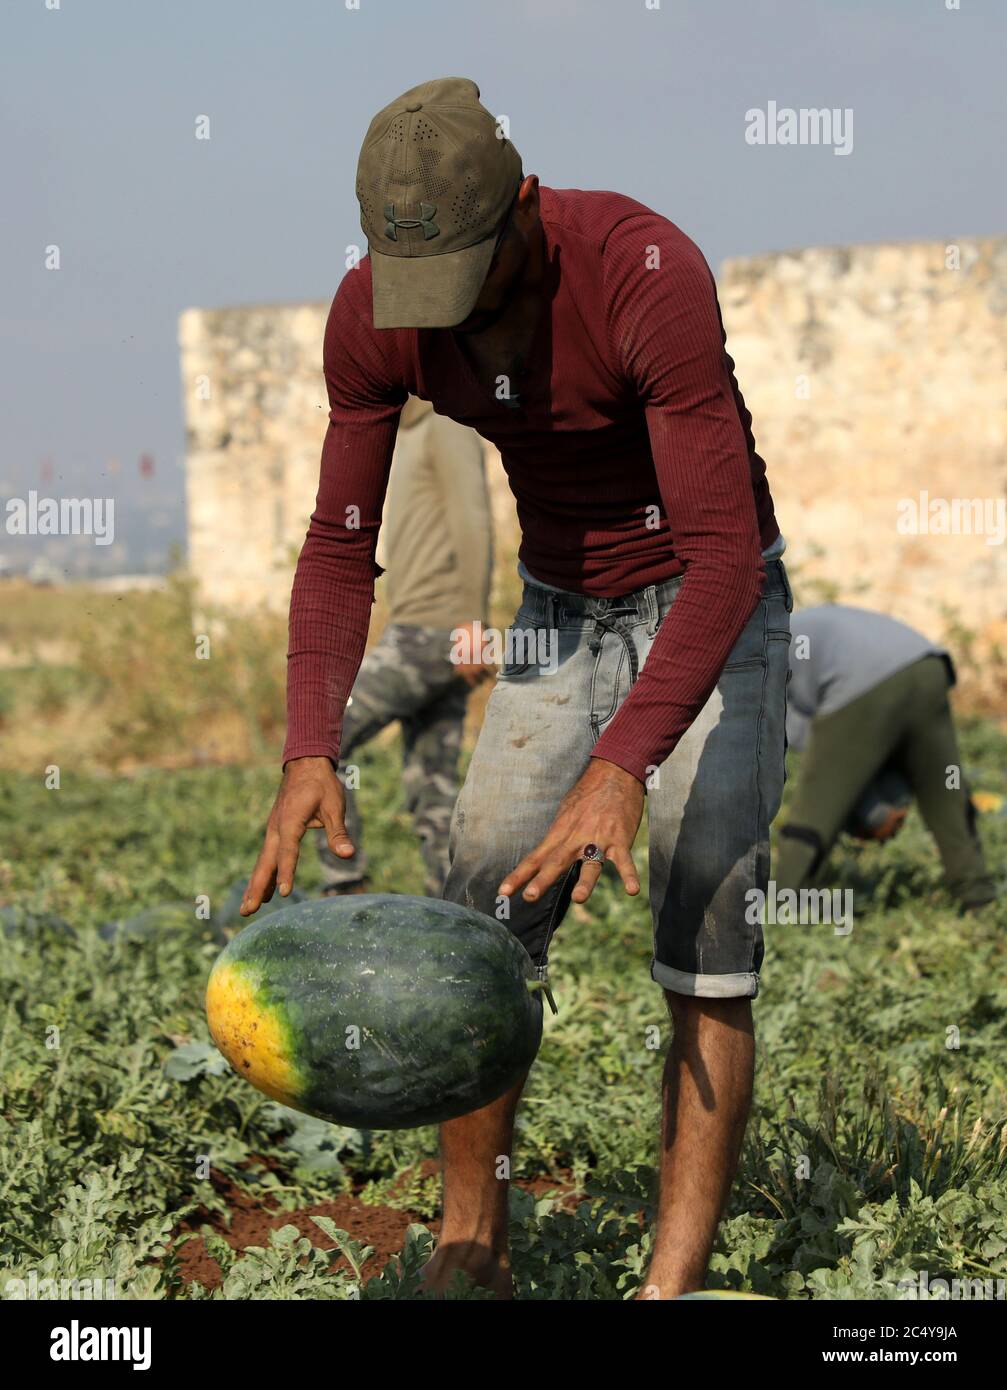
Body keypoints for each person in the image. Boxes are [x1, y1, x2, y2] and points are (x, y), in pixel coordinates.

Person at [242, 77, 792, 1299]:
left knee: (704, 939)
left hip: (711, 607)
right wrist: (309, 746)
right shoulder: (372, 315)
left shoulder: (645, 270)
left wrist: (620, 764)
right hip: (555, 614)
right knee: (480, 920)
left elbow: (715, 557)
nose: (453, 324)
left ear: (523, 215)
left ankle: (670, 1285)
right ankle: (469, 1249)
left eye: (473, 288)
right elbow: (339, 543)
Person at [315, 395, 492, 897]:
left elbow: (473, 518)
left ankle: (345, 882)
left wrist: (474, 624)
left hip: (435, 635)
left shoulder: (447, 420)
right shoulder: (406, 431)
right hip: (421, 629)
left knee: (323, 736)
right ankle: (451, 910)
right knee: (432, 786)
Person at [778, 605, 997, 910]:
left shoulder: (756, 652)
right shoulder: (798, 626)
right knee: (946, 789)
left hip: (862, 682)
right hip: (926, 665)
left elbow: (824, 759)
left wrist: (871, 810)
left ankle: (789, 905)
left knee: (815, 808)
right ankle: (978, 896)